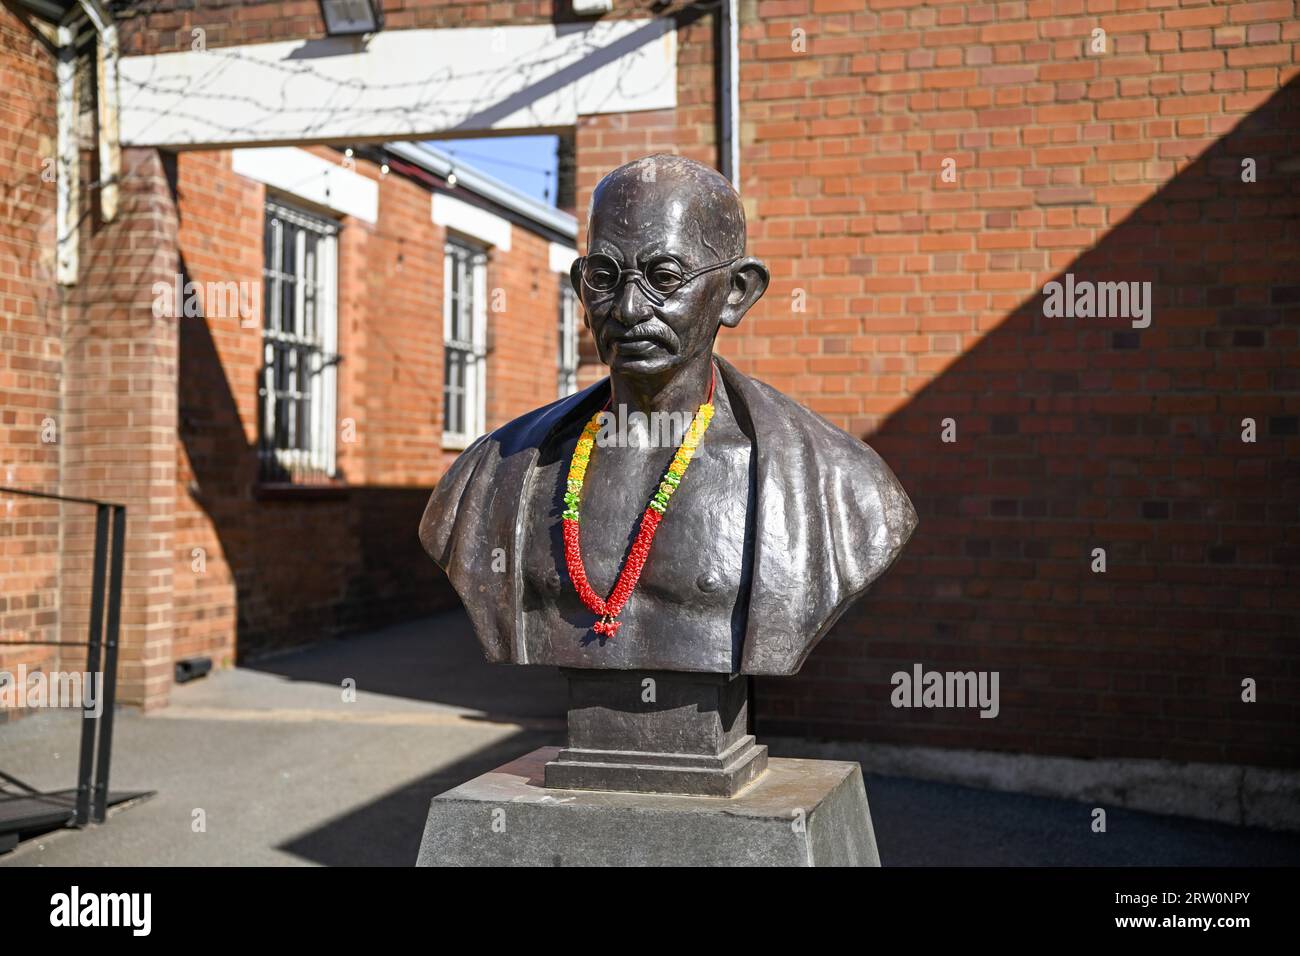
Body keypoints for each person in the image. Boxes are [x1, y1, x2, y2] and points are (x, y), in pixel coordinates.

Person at [420, 154, 916, 675]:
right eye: (605, 277)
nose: (629, 308)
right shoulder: (495, 471)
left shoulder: (840, 482)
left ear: (736, 292)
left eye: (664, 276)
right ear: (580, 287)